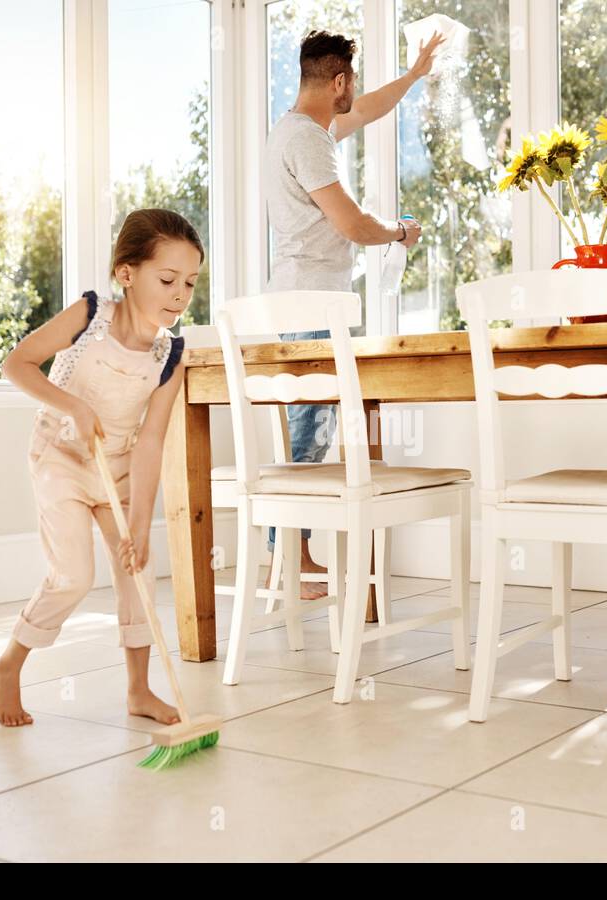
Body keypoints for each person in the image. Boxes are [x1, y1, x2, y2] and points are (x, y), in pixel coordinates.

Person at [0, 208, 198, 728]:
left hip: (121, 465)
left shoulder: (170, 354)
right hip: (60, 456)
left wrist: (142, 520)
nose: (180, 294)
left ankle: (138, 691)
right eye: (168, 279)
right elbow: (15, 364)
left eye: (190, 283)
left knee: (138, 573)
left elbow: (151, 442)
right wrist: (73, 406)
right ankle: (7, 666)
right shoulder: (88, 316)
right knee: (74, 576)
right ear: (126, 274)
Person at [263, 27, 442, 597]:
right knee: (309, 428)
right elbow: (352, 224)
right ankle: (288, 554)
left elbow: (366, 110)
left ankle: (289, 552)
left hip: (302, 294)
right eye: (351, 82)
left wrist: (413, 75)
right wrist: (401, 232)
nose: (354, 93)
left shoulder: (300, 129)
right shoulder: (310, 141)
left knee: (308, 424)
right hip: (311, 297)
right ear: (337, 80)